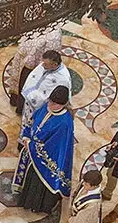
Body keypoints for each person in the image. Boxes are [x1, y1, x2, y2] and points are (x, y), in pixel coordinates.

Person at [16, 85, 75, 214]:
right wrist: (26, 136)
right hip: (31, 148)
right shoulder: (46, 107)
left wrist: (31, 145)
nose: (50, 104)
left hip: (42, 159)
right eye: (50, 101)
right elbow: (32, 121)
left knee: (38, 182)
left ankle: (35, 204)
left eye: (54, 103)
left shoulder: (65, 123)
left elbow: (54, 148)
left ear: (62, 105)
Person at [20, 50, 72, 131]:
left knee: (36, 126)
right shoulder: (44, 65)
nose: (42, 65)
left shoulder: (63, 79)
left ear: (54, 64)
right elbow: (34, 76)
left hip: (41, 108)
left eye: (45, 64)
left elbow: (58, 97)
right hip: (29, 103)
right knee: (26, 122)